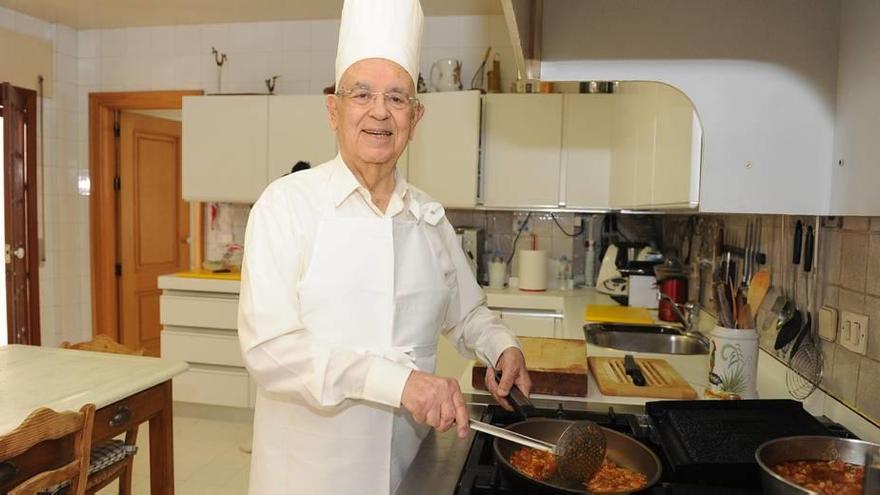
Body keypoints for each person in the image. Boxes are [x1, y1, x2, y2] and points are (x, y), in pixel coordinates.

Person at [237, 0, 530, 493]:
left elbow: (467, 313)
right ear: (333, 108)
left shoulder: (428, 217)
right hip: (311, 473)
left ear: (415, 117)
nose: (379, 112)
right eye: (363, 94)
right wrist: (399, 383)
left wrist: (501, 347)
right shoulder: (285, 206)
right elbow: (270, 349)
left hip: (408, 464)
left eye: (397, 98)